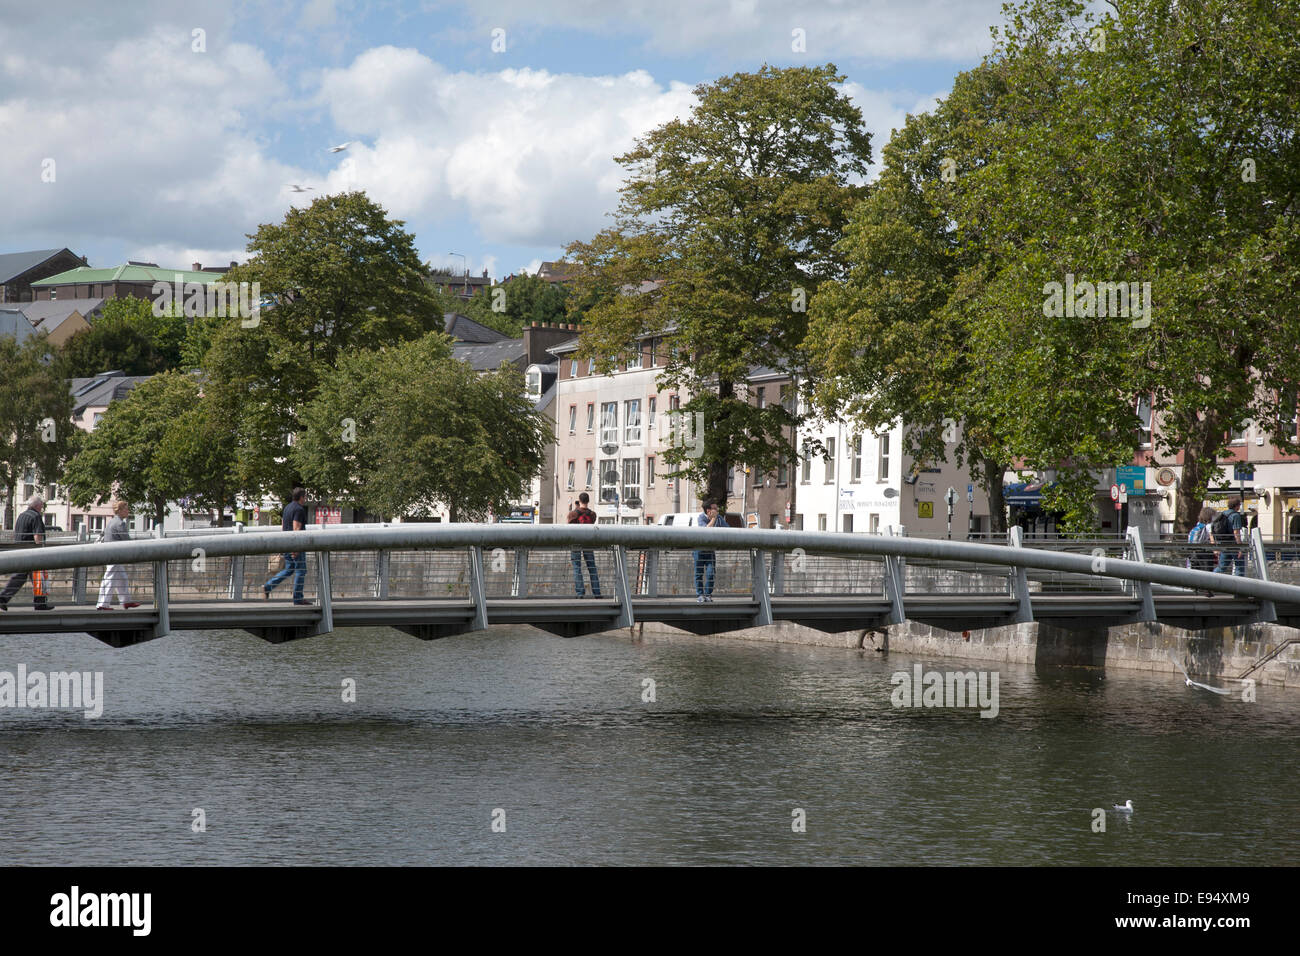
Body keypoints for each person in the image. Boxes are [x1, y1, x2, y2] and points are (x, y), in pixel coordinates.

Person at [0, 495, 55, 611]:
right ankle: (40, 604)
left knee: (19, 577)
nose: (42, 507)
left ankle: (3, 599)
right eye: (42, 505)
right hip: (33, 553)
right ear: (38, 505)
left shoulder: (21, 515)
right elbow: (37, 538)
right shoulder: (36, 516)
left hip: (20, 550)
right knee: (39, 578)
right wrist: (43, 550)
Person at [264, 487, 309, 604]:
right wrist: (296, 548)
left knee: (289, 569)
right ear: (301, 497)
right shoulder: (299, 509)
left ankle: (267, 587)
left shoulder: (287, 508)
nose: (305, 499)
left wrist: (284, 545)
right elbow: (296, 528)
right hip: (295, 545)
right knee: (301, 570)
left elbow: (283, 526)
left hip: (287, 543)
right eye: (305, 497)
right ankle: (298, 598)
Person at [96, 500, 141, 610]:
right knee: (109, 579)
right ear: (120, 510)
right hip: (114, 555)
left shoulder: (112, 521)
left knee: (122, 578)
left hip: (112, 554)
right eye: (126, 509)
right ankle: (102, 604)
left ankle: (126, 601)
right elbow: (126, 539)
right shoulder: (120, 523)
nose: (128, 511)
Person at [567, 492, 601, 597]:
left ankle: (580, 593)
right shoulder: (592, 514)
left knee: (577, 567)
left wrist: (572, 509)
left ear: (579, 500)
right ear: (588, 501)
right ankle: (597, 593)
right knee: (592, 567)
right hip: (588, 543)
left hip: (576, 542)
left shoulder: (573, 514)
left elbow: (569, 524)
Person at [694, 499, 722, 603]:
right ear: (708, 511)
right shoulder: (701, 518)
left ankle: (708, 594)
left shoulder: (718, 518)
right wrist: (713, 519)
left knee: (711, 573)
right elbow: (705, 530)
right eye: (714, 508)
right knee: (699, 573)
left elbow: (728, 528)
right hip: (699, 550)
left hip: (710, 550)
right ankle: (700, 595)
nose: (717, 510)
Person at [1213, 497, 1245, 575]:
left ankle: (1211, 579)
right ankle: (1240, 585)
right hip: (1233, 544)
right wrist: (1240, 547)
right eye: (1239, 505)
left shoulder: (1223, 513)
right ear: (1236, 506)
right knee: (1240, 566)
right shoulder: (1235, 515)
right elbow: (1236, 532)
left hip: (1224, 543)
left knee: (1222, 567)